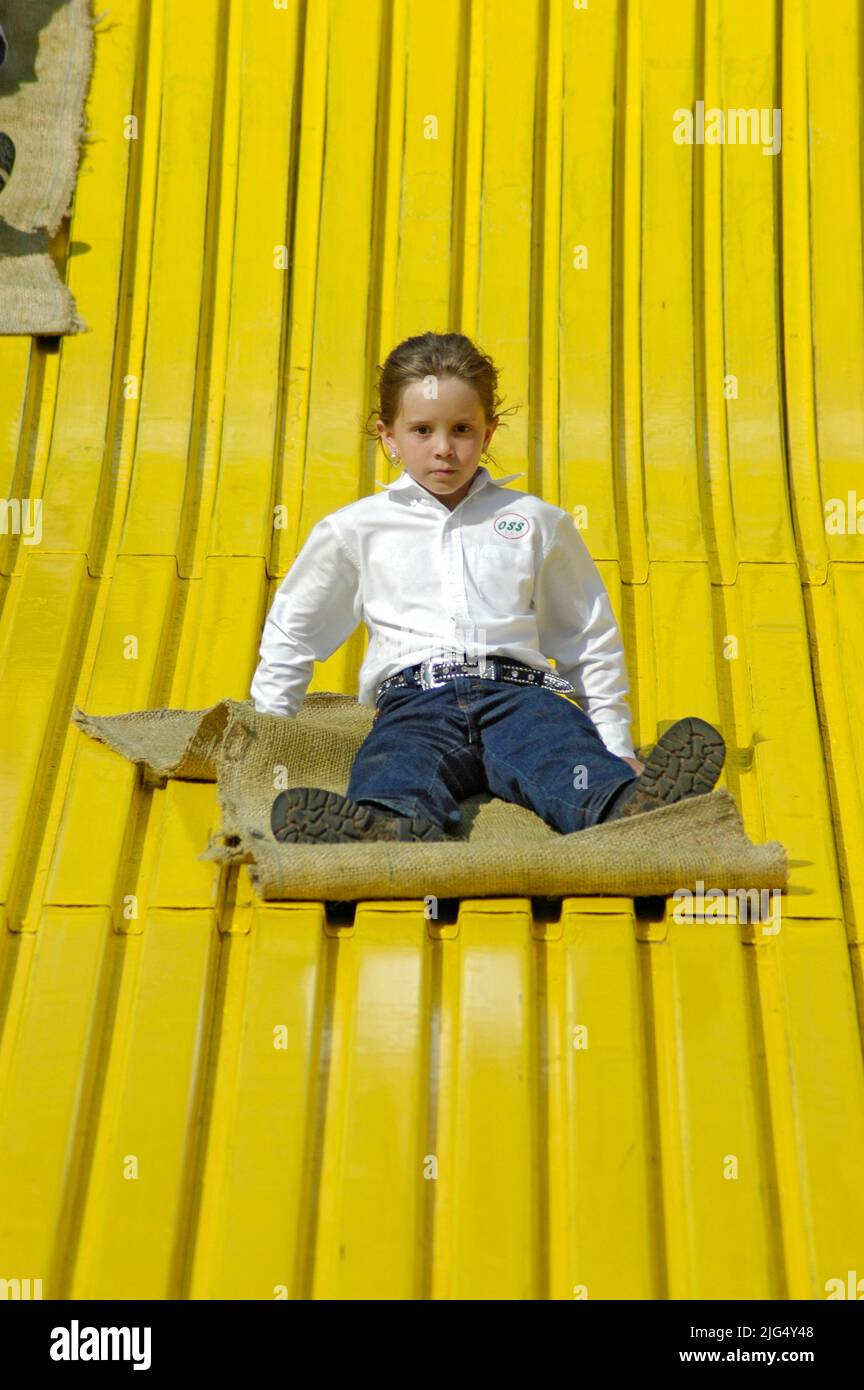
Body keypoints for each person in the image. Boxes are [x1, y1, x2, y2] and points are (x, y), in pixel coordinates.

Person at [250, 331, 725, 843]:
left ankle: (628, 807)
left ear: (488, 433)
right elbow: (293, 632)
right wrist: (271, 736)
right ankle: (388, 827)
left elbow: (588, 636)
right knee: (394, 764)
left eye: (462, 429)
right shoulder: (355, 529)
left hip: (522, 697)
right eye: (422, 430)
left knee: (567, 758)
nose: (444, 449)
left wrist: (616, 743)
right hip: (415, 701)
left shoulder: (537, 521)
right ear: (389, 437)